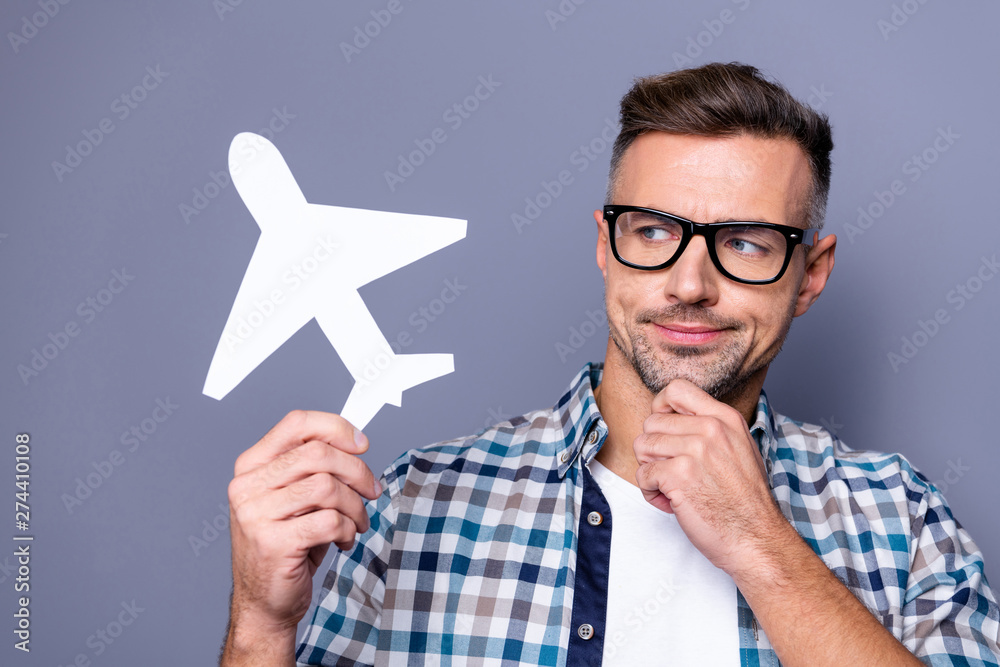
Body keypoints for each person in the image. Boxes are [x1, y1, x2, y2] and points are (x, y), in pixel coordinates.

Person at [219, 62, 1000, 666]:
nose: (690, 284)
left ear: (812, 274)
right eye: (654, 232)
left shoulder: (899, 520)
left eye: (746, 243)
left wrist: (761, 543)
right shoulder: (418, 507)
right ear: (605, 244)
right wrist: (259, 626)